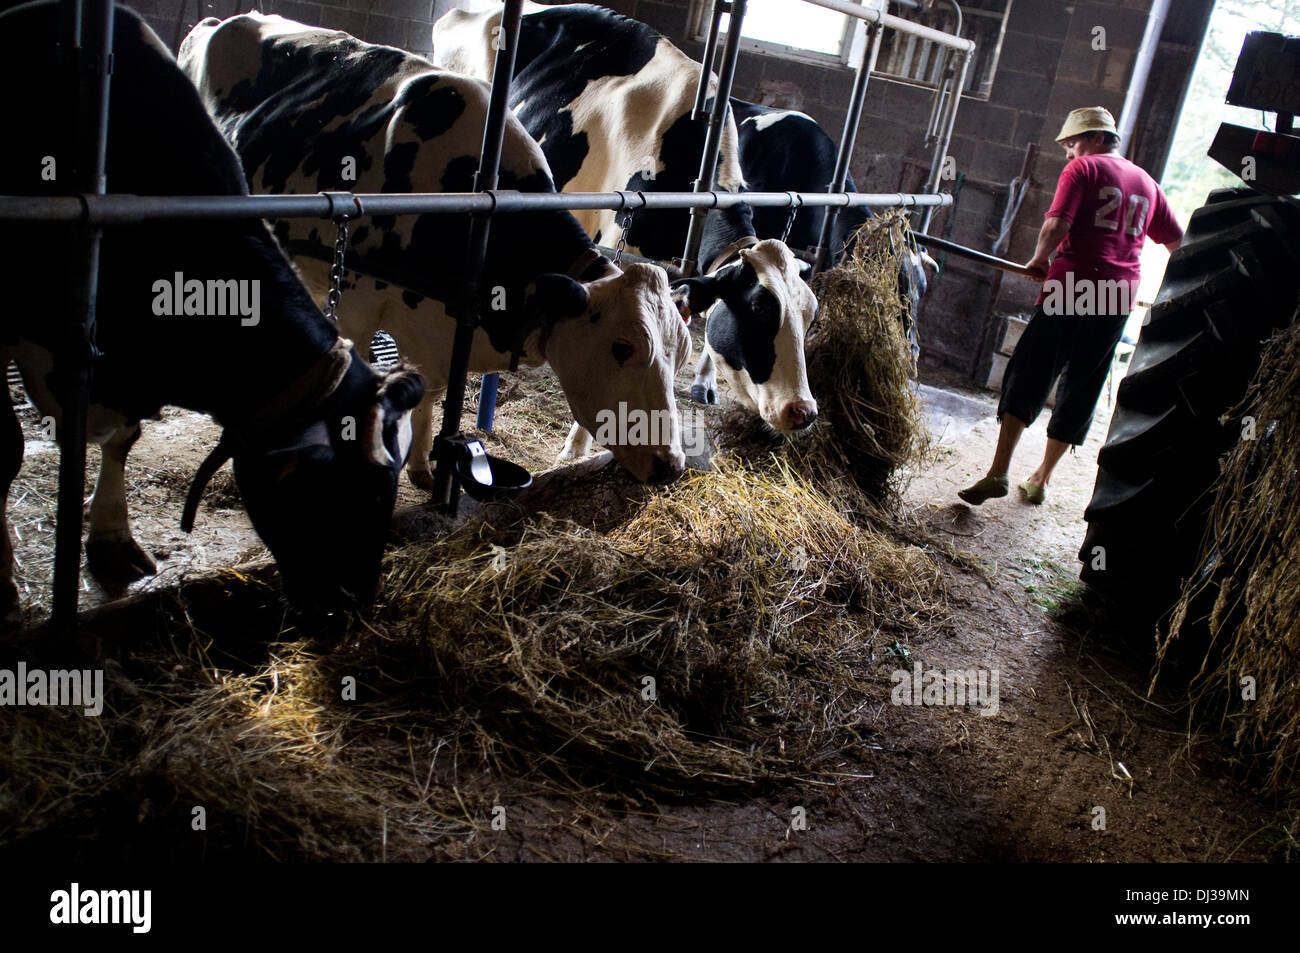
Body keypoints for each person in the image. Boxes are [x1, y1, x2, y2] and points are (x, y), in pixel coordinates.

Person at [958, 106, 1184, 507]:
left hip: (1074, 284)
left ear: (1098, 138)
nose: (1067, 153)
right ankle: (1041, 479)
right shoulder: (1147, 182)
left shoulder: (1084, 170)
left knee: (1030, 371)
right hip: (1117, 296)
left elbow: (1057, 222)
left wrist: (1040, 258)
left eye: (1073, 142)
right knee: (1084, 383)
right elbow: (1177, 241)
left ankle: (998, 473)